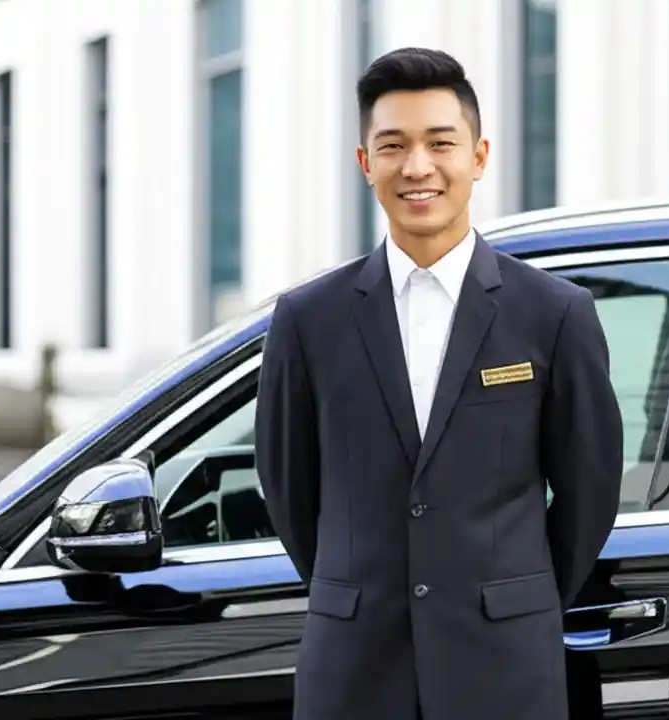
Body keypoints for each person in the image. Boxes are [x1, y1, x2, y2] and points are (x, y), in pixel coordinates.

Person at [254, 47, 623, 719]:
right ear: (365, 162)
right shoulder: (308, 321)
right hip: (356, 672)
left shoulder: (552, 314)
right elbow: (289, 490)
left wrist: (512, 596)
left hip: (505, 670)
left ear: (478, 157)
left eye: (440, 143)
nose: (417, 166)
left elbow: (589, 491)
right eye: (393, 145)